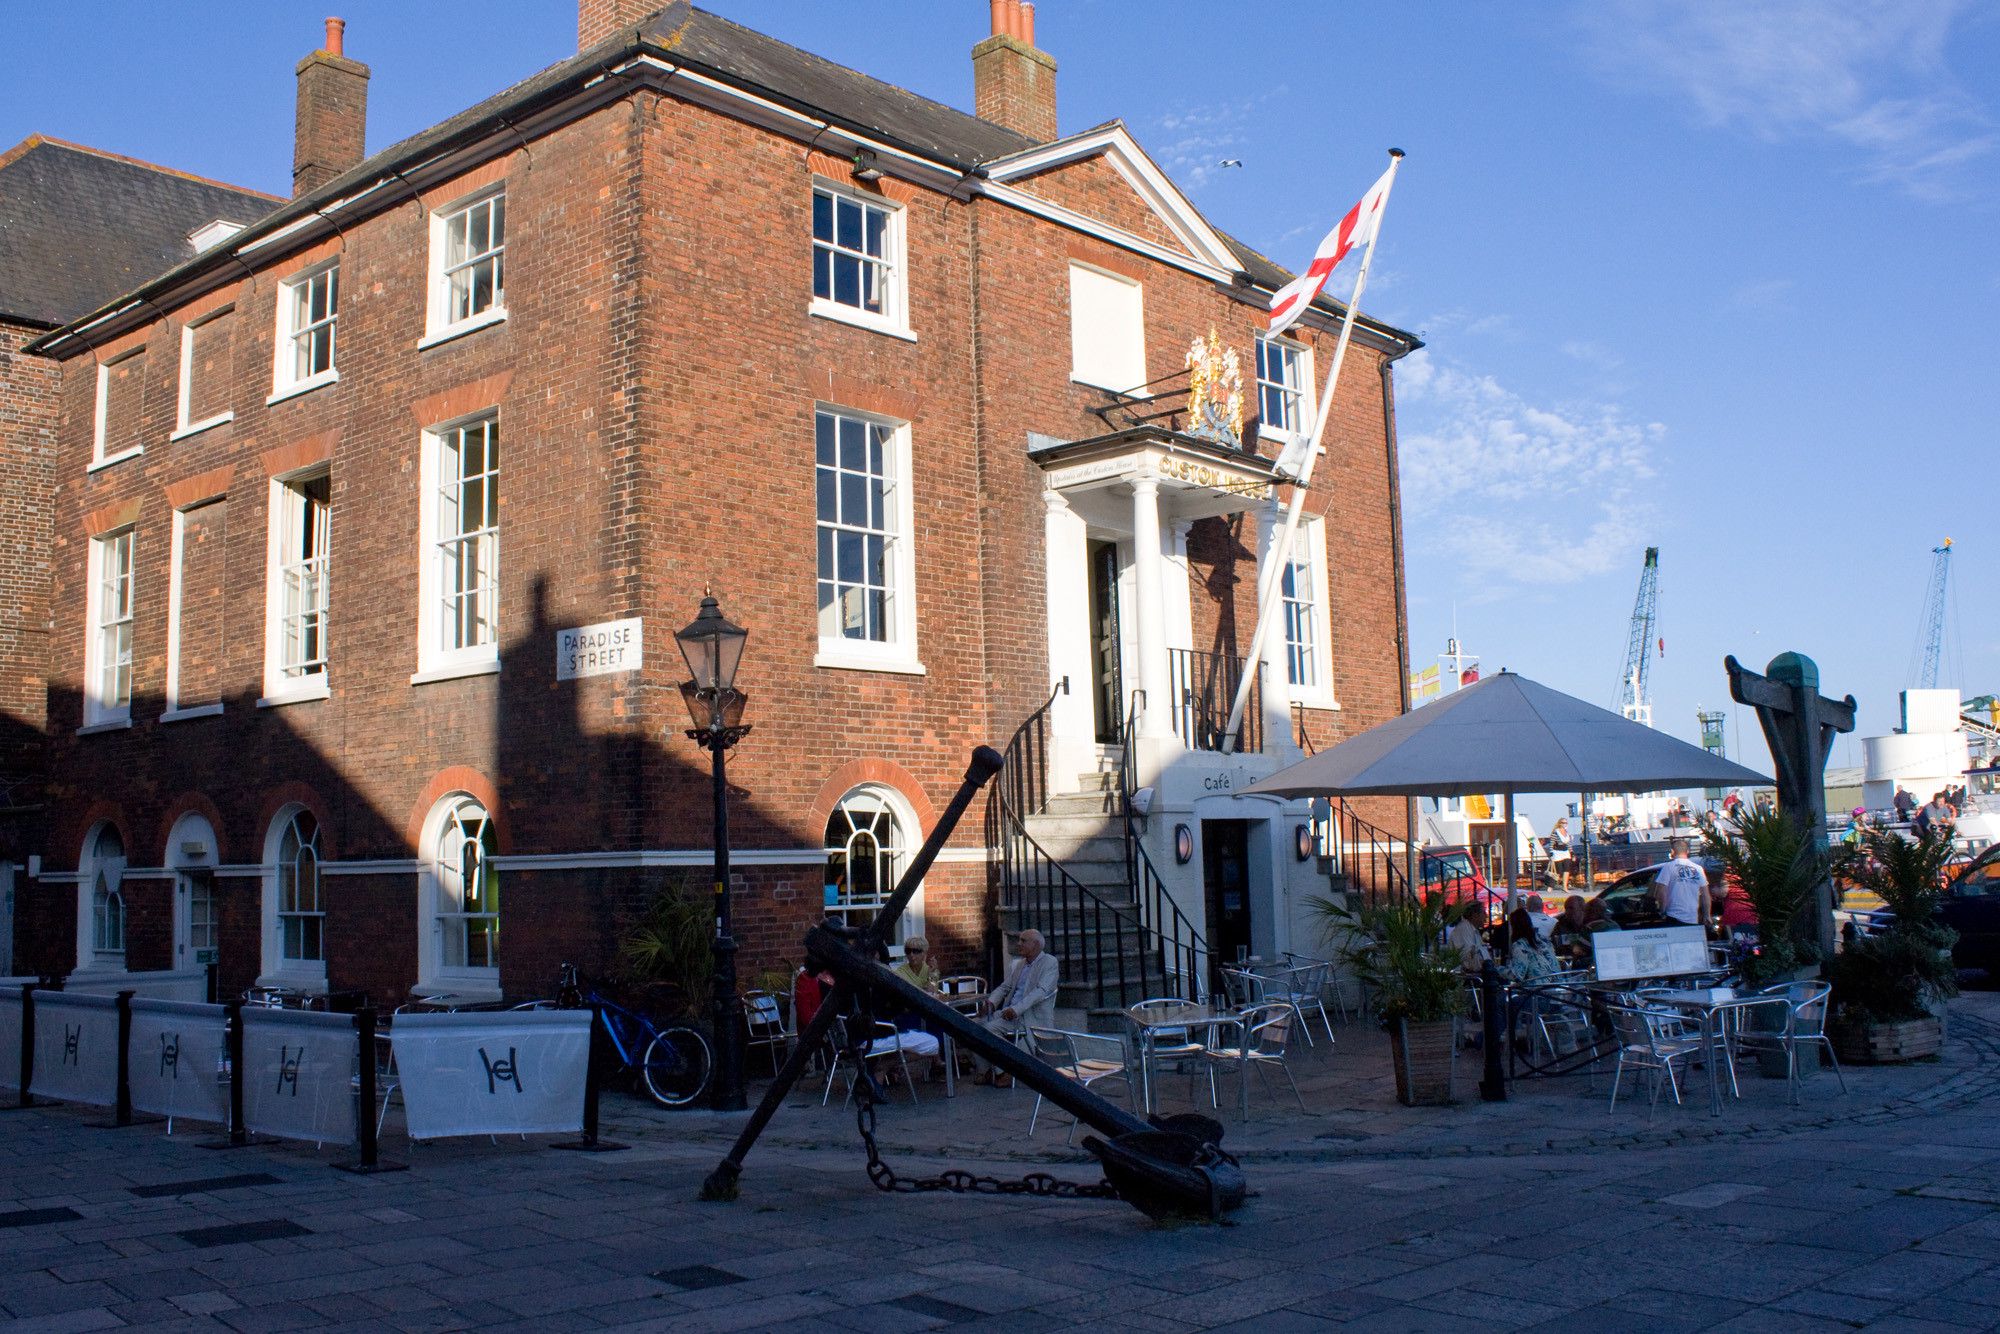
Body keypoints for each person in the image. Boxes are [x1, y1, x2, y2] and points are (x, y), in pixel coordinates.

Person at [974, 928, 1059, 1085]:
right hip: (1008, 1013)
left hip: (1029, 1016)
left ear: (1036, 944)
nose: (1019, 943)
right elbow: (1005, 987)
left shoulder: (1049, 962)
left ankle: (1004, 1071)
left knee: (990, 1029)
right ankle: (984, 1070)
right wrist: (991, 1003)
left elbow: (1040, 991)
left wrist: (1016, 1009)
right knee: (974, 1025)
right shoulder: (1020, 964)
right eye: (1019, 940)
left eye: (1023, 941)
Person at [1651, 837, 1711, 928]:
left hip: (1673, 917)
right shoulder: (1698, 869)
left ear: (1672, 851)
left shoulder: (1668, 867)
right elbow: (1705, 895)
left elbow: (1661, 891)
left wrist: (1662, 910)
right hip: (1692, 918)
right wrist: (1707, 915)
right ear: (1687, 851)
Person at [1447, 903, 1492, 975]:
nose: (1486, 916)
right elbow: (1469, 961)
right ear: (1474, 915)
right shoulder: (1464, 929)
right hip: (1467, 978)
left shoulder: (1473, 930)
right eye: (1483, 912)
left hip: (1476, 974)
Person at [1546, 819, 1572, 888]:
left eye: (1566, 823)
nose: (1565, 824)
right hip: (1557, 852)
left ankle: (1564, 886)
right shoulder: (1556, 832)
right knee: (1558, 870)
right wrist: (1551, 852)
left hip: (1565, 852)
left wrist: (1571, 852)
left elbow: (1568, 843)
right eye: (1563, 822)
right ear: (1559, 823)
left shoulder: (1566, 832)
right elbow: (1552, 843)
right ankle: (1550, 886)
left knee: (1567, 869)